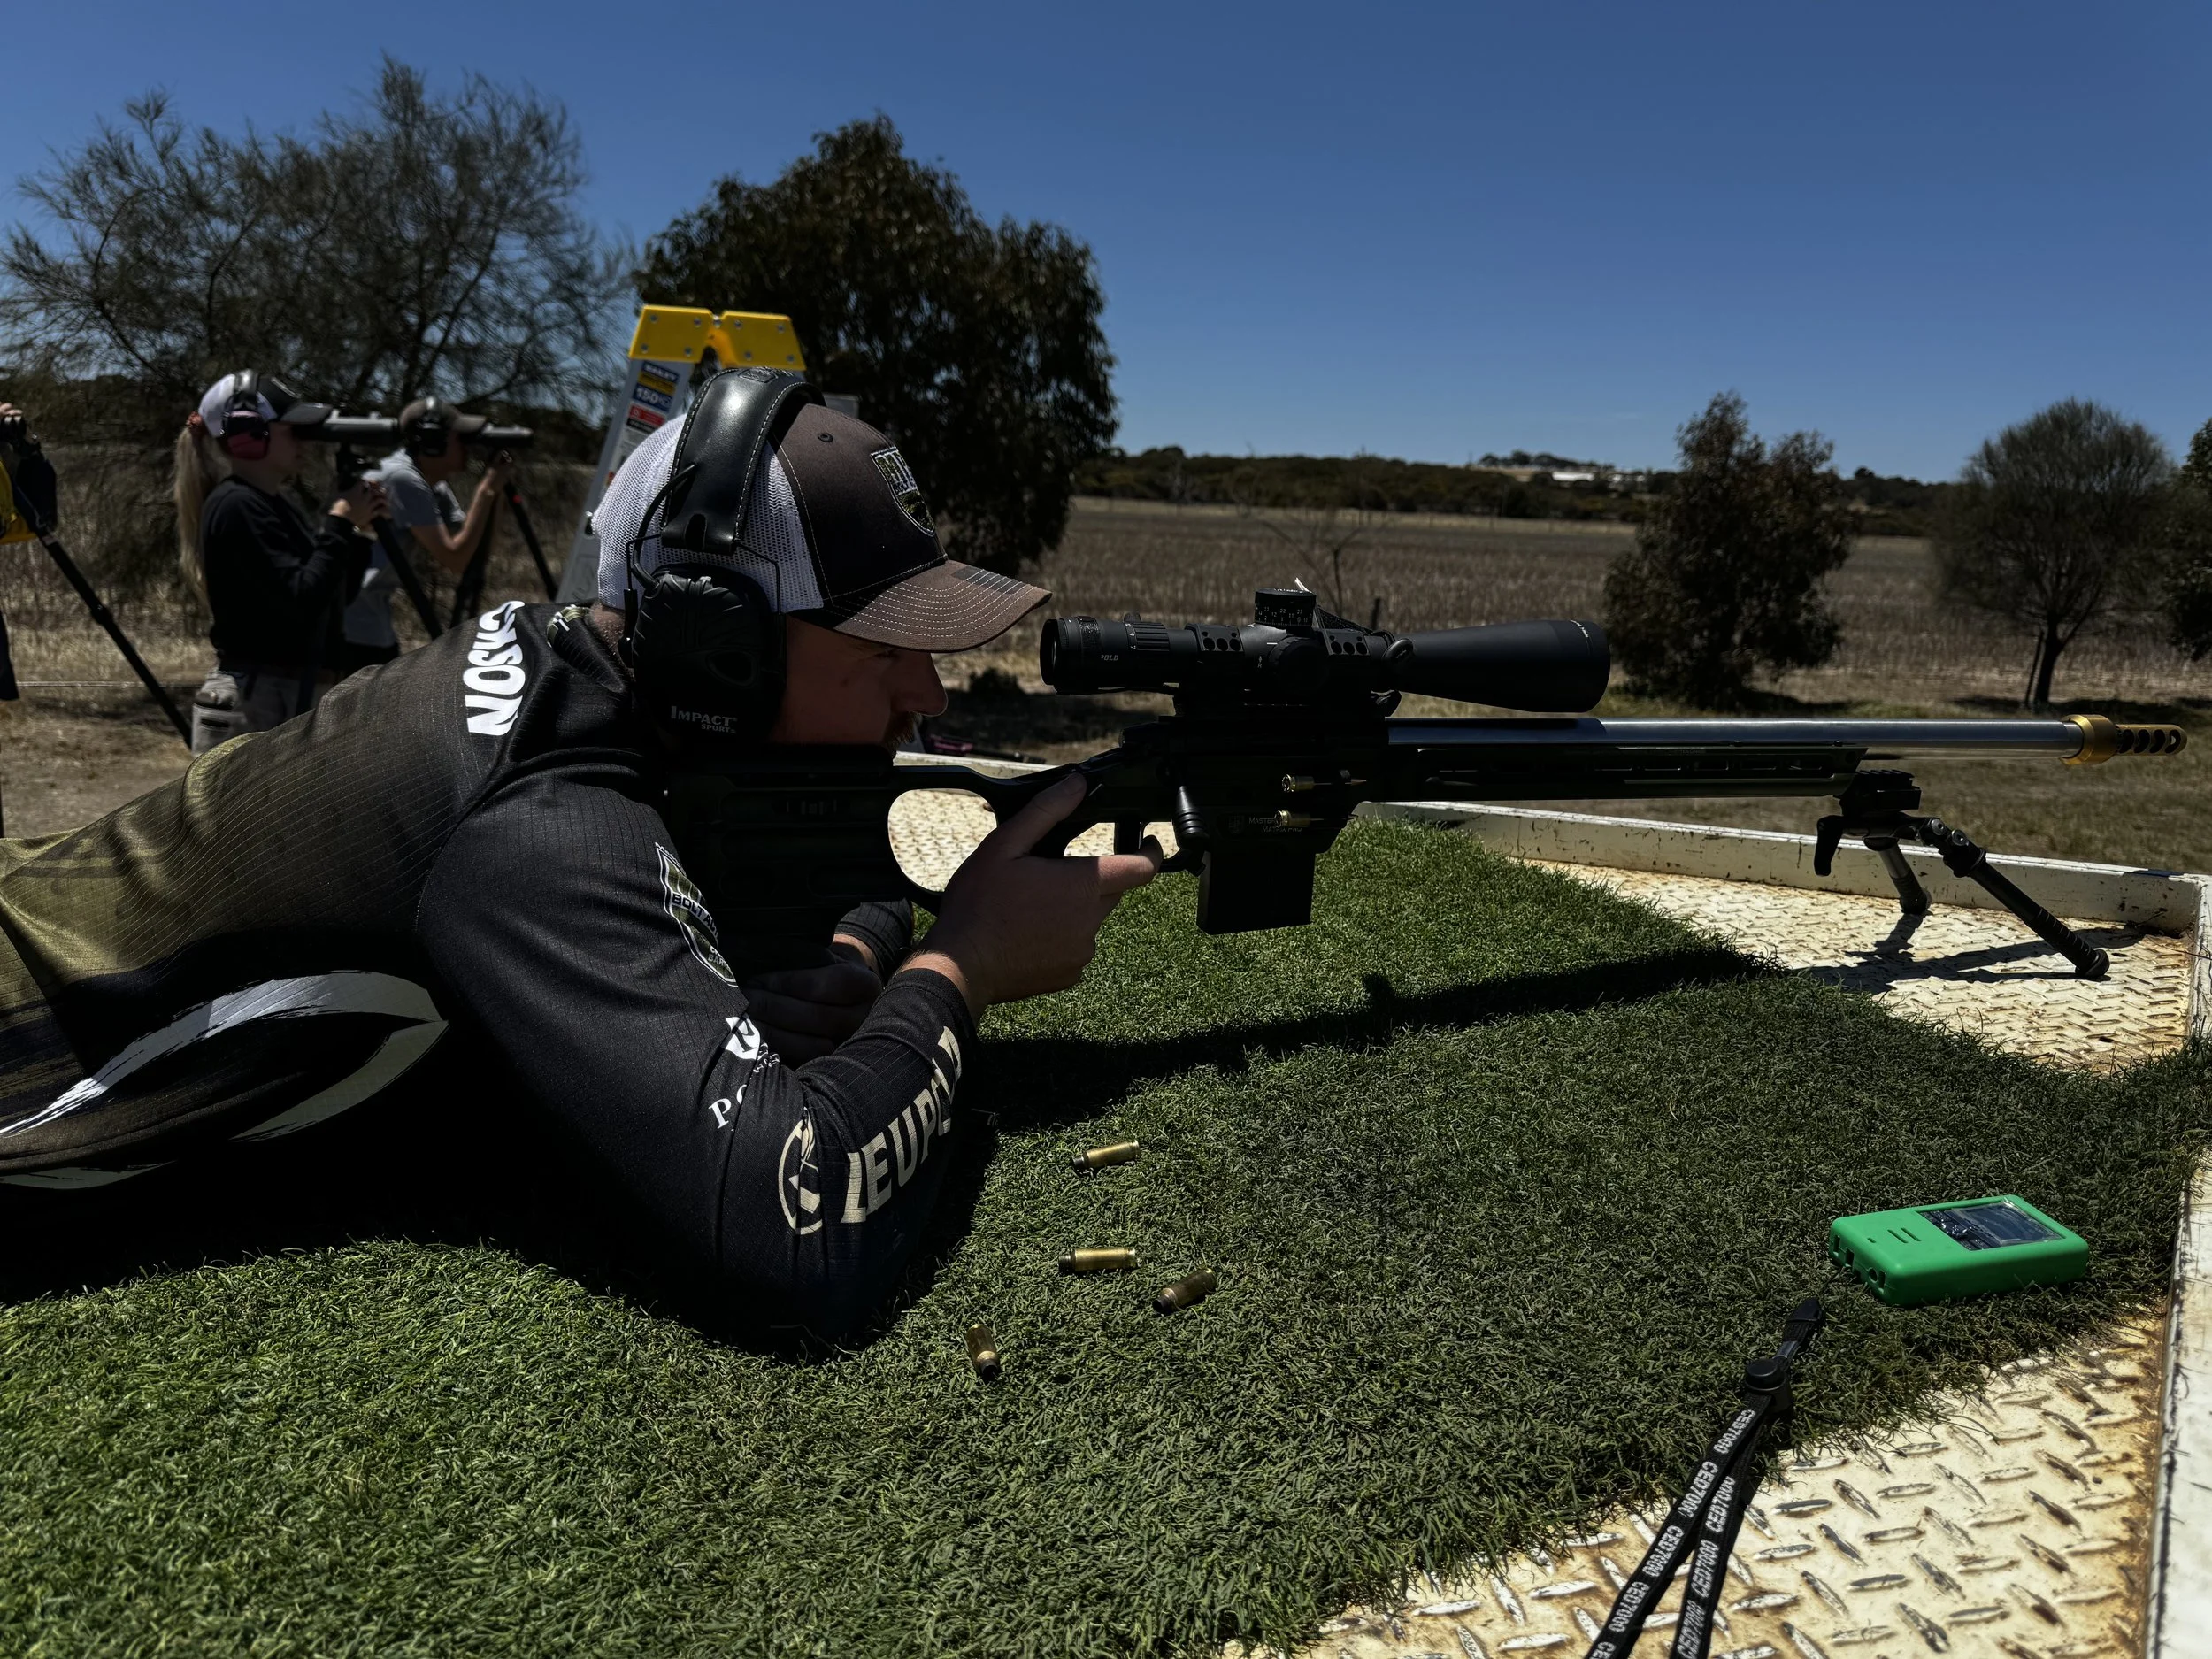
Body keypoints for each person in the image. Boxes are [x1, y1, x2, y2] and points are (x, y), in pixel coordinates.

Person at [0, 373, 1158, 1340]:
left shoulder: (575, 682)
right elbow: (800, 1222)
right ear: (719, 648)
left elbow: (813, 849)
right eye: (882, 650)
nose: (928, 690)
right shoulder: (538, 813)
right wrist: (963, 967)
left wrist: (855, 954)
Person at [174, 372, 389, 753]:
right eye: (292, 429)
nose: (303, 440)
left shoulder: (273, 504)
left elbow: (332, 599)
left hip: (283, 695)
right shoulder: (238, 506)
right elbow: (301, 600)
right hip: (257, 702)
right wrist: (338, 524)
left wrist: (357, 532)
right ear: (248, 434)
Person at [340, 397, 511, 673]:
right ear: (433, 441)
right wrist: (486, 491)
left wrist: (496, 493)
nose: (468, 448)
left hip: (371, 621)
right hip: (353, 627)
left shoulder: (431, 484)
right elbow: (455, 559)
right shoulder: (403, 479)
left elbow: (474, 554)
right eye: (461, 439)